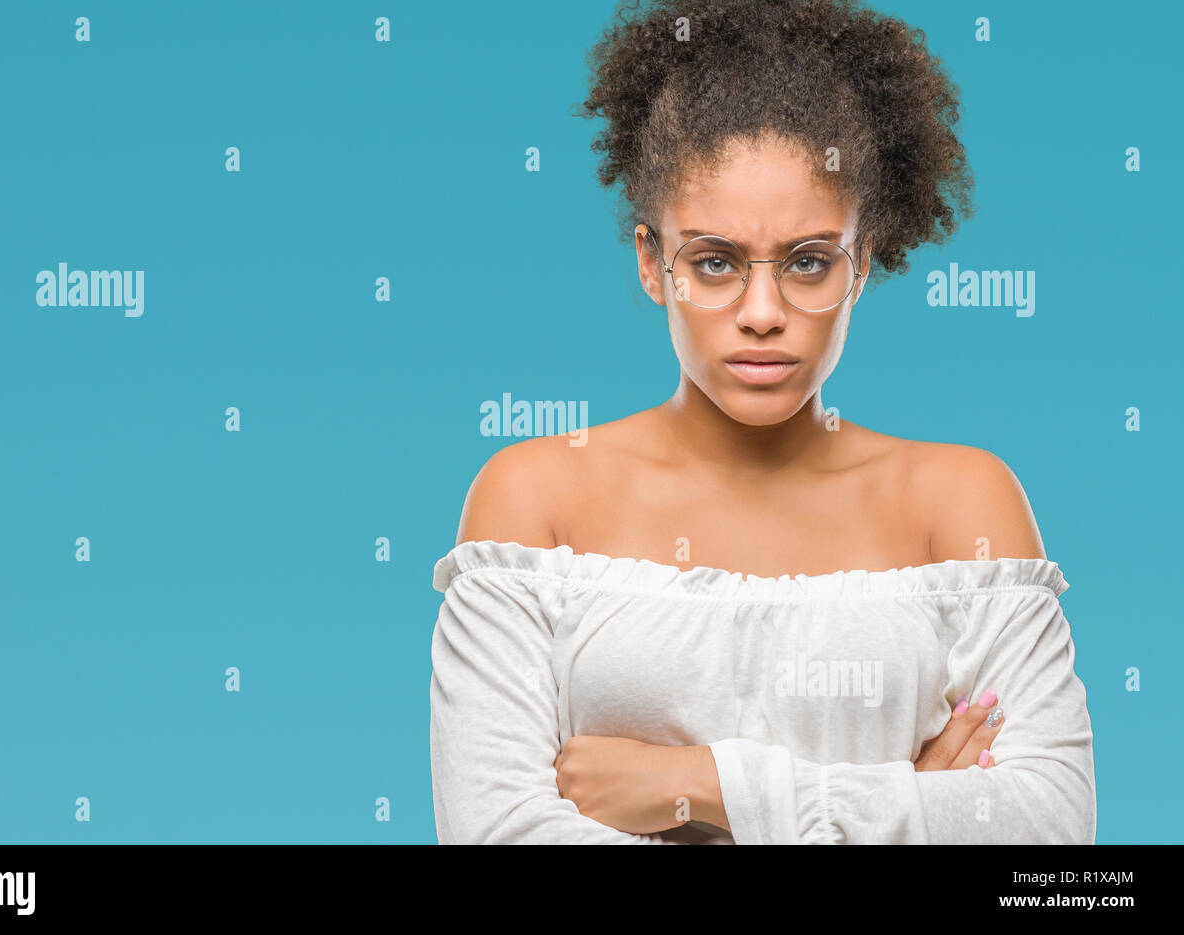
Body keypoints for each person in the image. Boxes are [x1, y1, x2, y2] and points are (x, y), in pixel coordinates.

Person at [428, 0, 1095, 844]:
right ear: (649, 262)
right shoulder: (534, 502)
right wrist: (907, 803)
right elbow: (498, 834)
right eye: (714, 262)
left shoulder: (960, 503)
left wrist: (703, 787)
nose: (762, 312)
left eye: (809, 261)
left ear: (864, 261)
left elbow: (1051, 841)